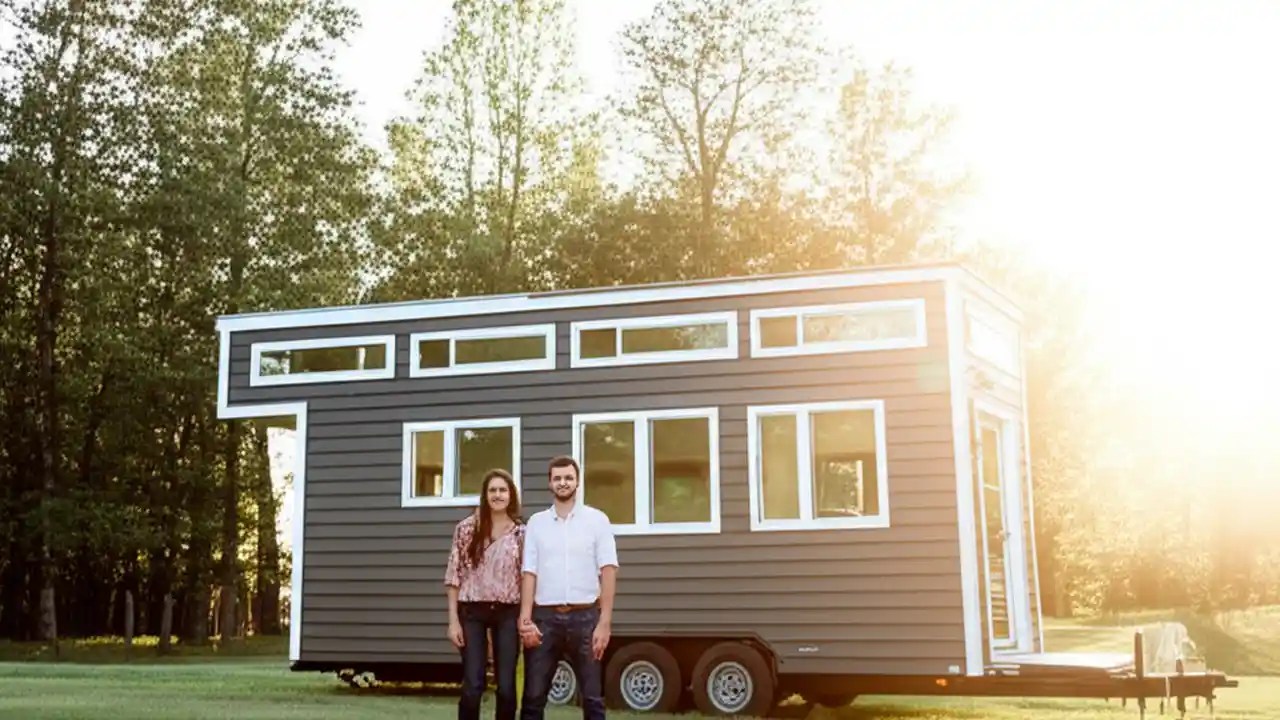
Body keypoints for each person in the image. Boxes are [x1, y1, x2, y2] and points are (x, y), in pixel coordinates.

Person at [518, 455, 618, 720]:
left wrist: (604, 622)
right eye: (557, 478)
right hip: (544, 619)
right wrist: (525, 618)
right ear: (550, 483)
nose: (563, 482)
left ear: (577, 482)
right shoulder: (536, 524)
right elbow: (529, 571)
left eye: (568, 478)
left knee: (593, 698)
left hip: (586, 617)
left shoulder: (597, 520)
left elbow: (608, 570)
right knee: (533, 697)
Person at [444, 469, 526, 720]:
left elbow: (527, 578)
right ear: (485, 494)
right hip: (472, 612)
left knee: (507, 686)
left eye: (503, 490)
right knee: (473, 684)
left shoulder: (521, 533)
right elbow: (453, 576)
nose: (498, 495)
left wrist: (525, 617)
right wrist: (453, 621)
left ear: (511, 495)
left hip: (508, 612)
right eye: (492, 490)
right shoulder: (467, 529)